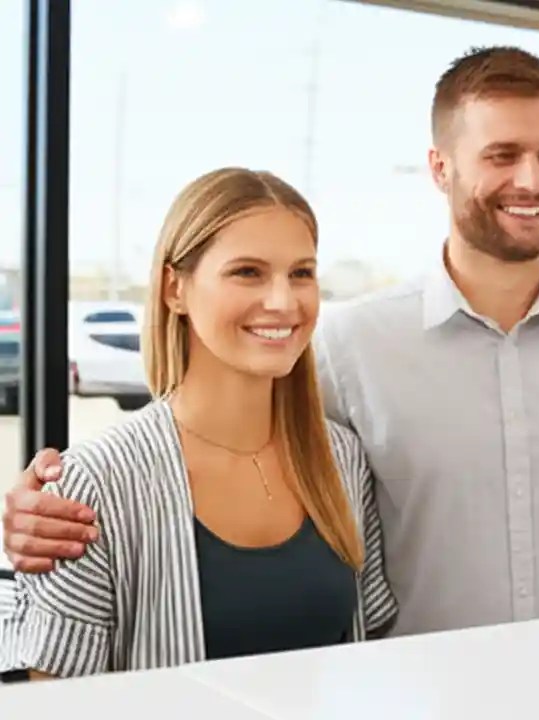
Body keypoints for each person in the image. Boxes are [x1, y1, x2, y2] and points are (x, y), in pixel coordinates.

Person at [3, 47, 539, 636]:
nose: (531, 180)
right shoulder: (349, 345)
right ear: (440, 168)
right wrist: (49, 510)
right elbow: (230, 454)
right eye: (502, 154)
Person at [0, 168, 397, 679]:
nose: (283, 300)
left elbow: (366, 652)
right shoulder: (91, 486)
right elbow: (51, 700)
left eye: (301, 273)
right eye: (248, 272)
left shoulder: (340, 460)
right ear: (174, 289)